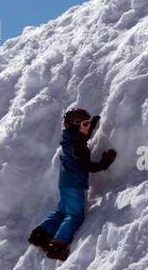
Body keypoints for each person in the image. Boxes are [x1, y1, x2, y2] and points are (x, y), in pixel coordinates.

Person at [28, 108, 116, 261]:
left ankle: (39, 234)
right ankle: (58, 246)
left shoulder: (70, 138)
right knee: (75, 216)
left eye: (88, 123)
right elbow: (86, 165)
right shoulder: (78, 145)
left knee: (62, 211)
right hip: (75, 185)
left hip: (65, 182)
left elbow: (81, 139)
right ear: (75, 125)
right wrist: (103, 164)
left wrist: (91, 127)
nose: (87, 127)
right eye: (85, 124)